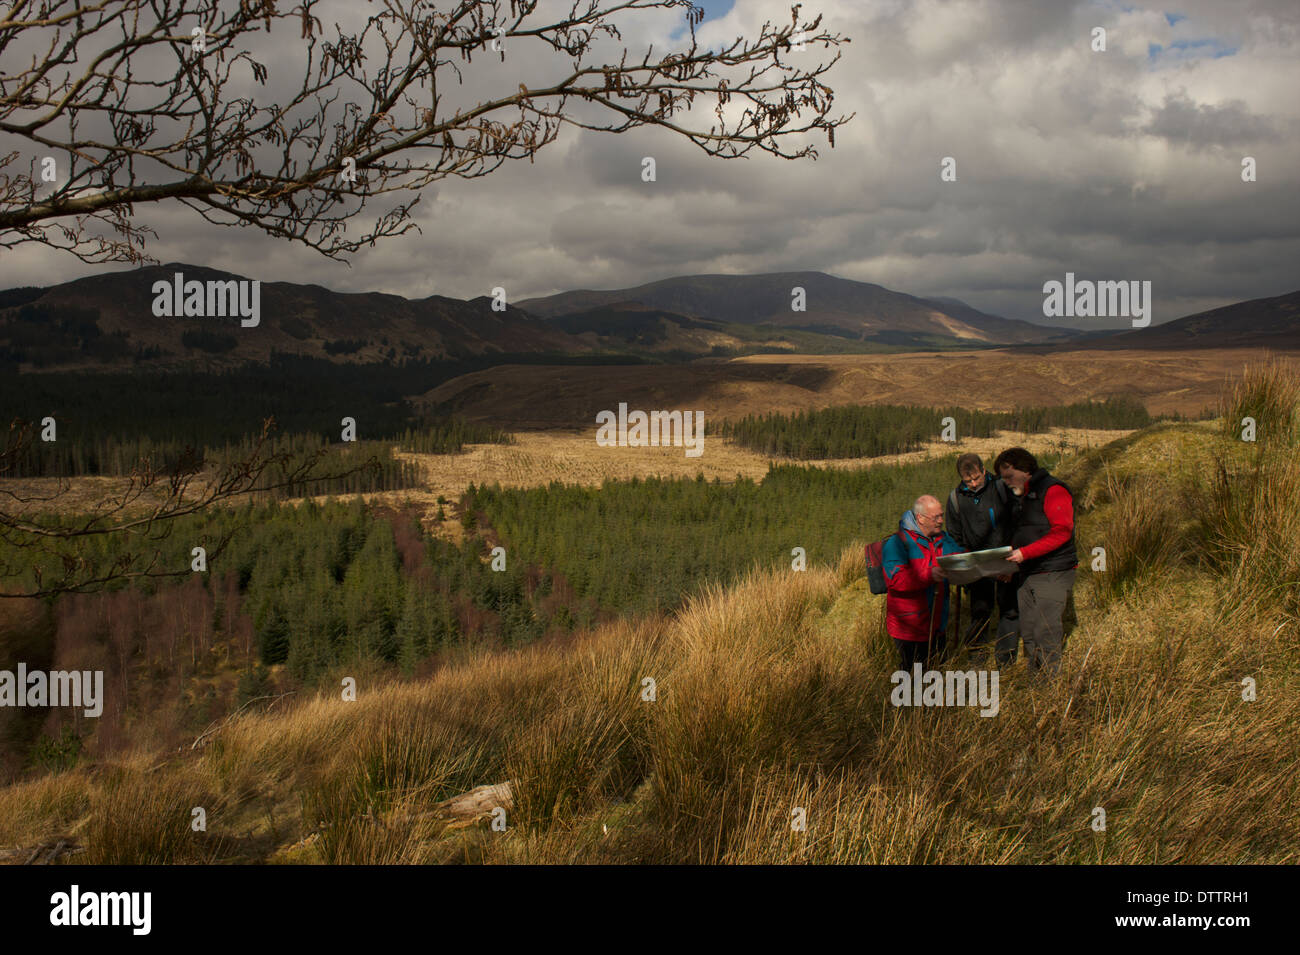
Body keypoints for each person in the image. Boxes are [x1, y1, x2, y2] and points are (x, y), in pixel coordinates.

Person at [993, 447, 1078, 677]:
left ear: (1026, 469)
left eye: (1009, 476)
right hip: (1027, 572)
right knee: (1029, 629)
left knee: (1046, 630)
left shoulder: (1054, 490)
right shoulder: (1023, 495)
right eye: (1003, 478)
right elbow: (1025, 533)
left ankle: (1051, 683)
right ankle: (1036, 679)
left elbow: (1062, 532)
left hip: (1054, 571)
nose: (1006, 482)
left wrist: (1024, 554)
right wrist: (1013, 567)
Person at [944, 453, 1020, 666]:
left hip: (1005, 557)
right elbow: (954, 534)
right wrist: (963, 562)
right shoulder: (956, 498)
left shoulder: (1001, 488)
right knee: (979, 610)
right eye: (968, 480)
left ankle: (1006, 659)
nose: (974, 483)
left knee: (1009, 609)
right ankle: (976, 656)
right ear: (961, 477)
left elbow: (1017, 520)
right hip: (977, 563)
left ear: (984, 470)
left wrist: (1012, 558)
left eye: (977, 477)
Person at [882, 494, 963, 671]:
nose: (941, 520)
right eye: (936, 517)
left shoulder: (943, 539)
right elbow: (895, 580)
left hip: (937, 624)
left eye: (942, 515)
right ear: (920, 518)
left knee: (936, 673)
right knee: (912, 677)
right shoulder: (897, 543)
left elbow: (959, 556)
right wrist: (929, 575)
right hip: (909, 628)